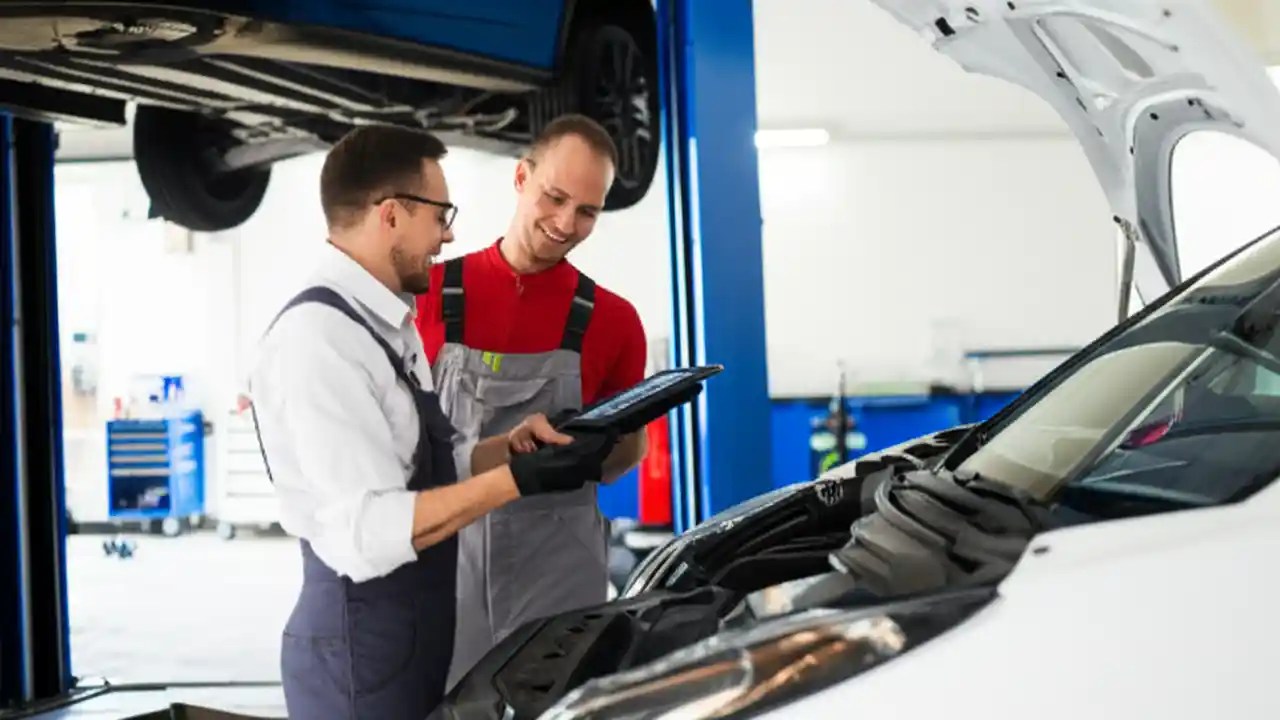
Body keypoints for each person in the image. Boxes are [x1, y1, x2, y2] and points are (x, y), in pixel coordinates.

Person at [248, 124, 618, 720]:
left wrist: (509, 450)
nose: (447, 235)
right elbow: (367, 534)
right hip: (358, 657)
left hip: (408, 642)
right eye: (439, 214)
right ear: (392, 215)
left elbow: (419, 468)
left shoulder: (386, 324)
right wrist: (518, 483)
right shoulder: (319, 342)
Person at [415, 114, 649, 686]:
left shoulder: (614, 323)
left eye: (588, 211)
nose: (566, 223)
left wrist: (594, 447)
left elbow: (629, 454)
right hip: (448, 563)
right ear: (521, 178)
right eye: (555, 197)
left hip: (560, 574)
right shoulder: (424, 298)